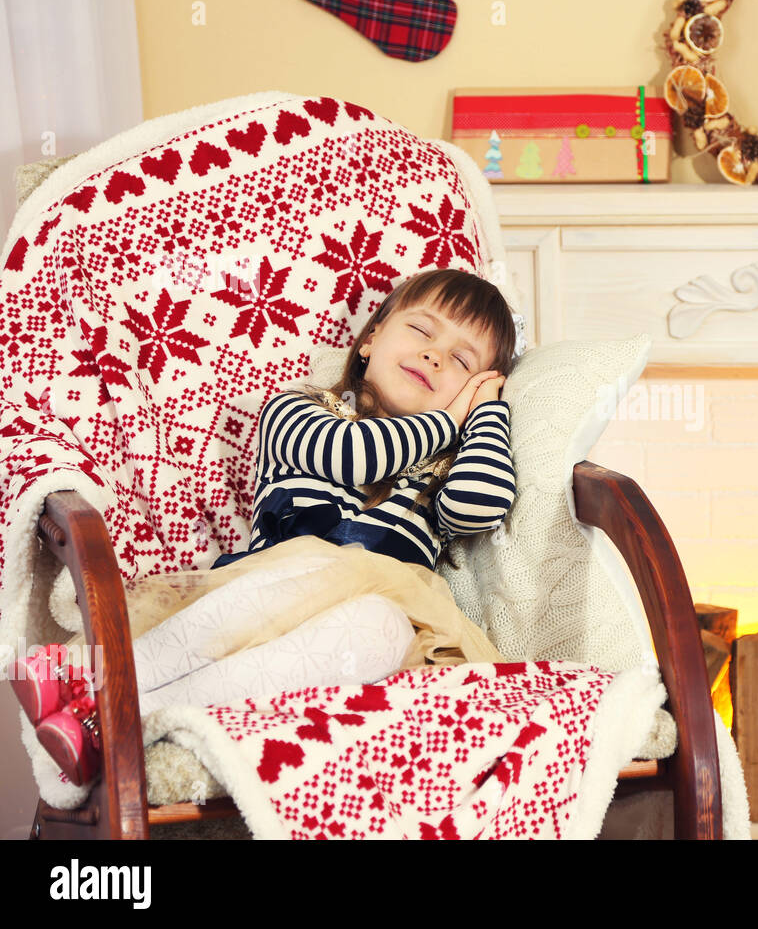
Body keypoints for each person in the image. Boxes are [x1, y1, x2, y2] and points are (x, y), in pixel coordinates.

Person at [10, 268, 518, 786]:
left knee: (382, 623)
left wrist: (485, 416)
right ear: (370, 340)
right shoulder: (302, 412)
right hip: (265, 600)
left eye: (462, 361)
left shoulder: (440, 470)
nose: (435, 355)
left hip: (336, 643)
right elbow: (356, 460)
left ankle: (118, 722)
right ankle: (91, 677)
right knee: (316, 567)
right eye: (422, 331)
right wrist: (448, 418)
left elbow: (481, 504)